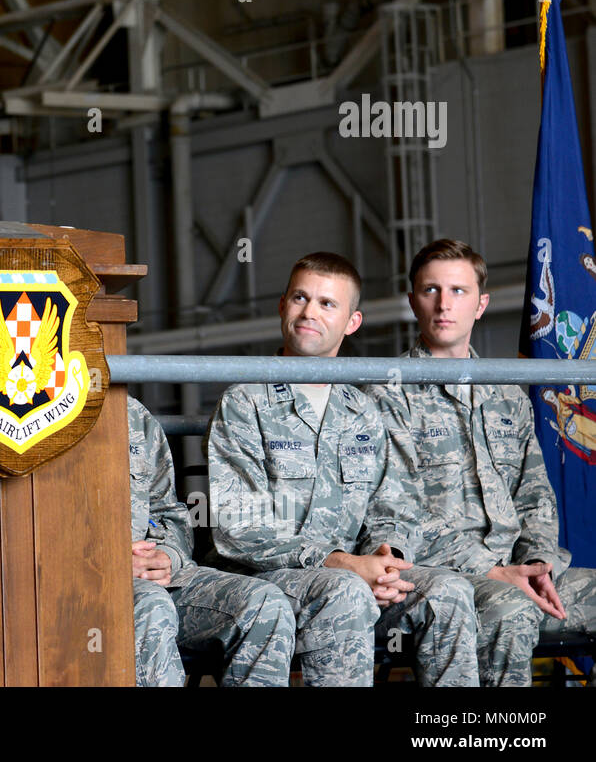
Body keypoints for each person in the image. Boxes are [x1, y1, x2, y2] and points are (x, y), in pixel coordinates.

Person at [204, 252, 479, 686]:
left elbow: (394, 507)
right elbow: (238, 530)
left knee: (449, 592)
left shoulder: (362, 411)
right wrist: (342, 564)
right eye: (300, 298)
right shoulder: (245, 402)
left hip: (358, 576)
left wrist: (388, 560)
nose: (309, 312)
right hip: (271, 580)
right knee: (344, 592)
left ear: (352, 322)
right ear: (282, 306)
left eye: (327, 304)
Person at [366, 238, 596, 686]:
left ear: (481, 303)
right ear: (413, 300)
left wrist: (539, 564)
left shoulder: (508, 392)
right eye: (430, 290)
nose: (443, 304)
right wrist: (492, 571)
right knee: (509, 611)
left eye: (458, 291)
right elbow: (391, 515)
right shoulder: (386, 395)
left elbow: (536, 497)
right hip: (443, 576)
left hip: (520, 566)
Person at [129, 396, 295, 686]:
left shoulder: (130, 414)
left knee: (265, 602)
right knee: (152, 605)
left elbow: (165, 513)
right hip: (86, 586)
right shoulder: (29, 412)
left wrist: (166, 553)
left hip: (161, 575)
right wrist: (103, 563)